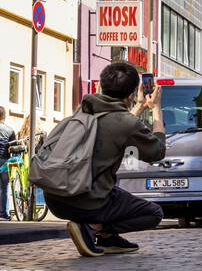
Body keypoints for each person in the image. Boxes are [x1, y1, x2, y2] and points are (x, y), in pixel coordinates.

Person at [42, 61, 166, 258]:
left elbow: (117, 123)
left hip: (55, 197)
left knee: (113, 191)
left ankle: (107, 238)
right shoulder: (126, 124)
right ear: (132, 94)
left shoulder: (83, 110)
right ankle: (93, 228)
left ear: (102, 85)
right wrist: (156, 109)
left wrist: (140, 107)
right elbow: (157, 151)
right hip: (87, 201)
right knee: (154, 213)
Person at [0, 107, 13, 220]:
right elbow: (13, 147)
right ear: (4, 116)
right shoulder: (10, 130)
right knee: (4, 188)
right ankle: (3, 213)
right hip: (4, 161)